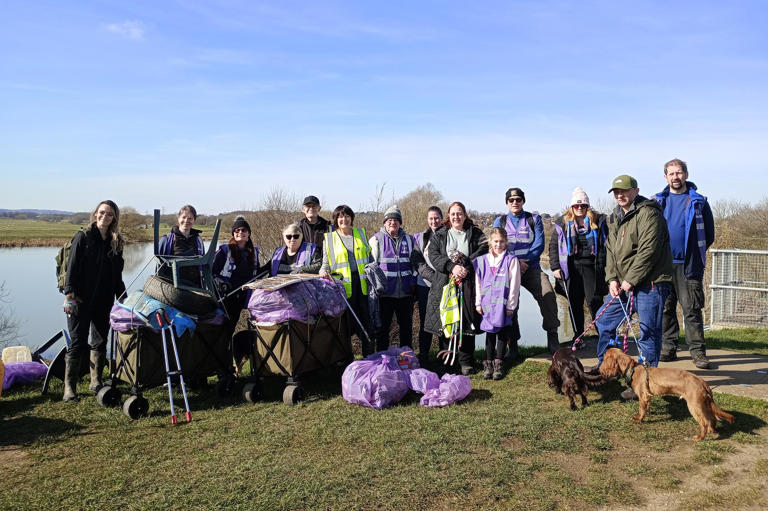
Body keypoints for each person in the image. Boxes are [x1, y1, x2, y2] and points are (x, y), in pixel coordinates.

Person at [590, 175, 673, 400]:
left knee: (648, 331)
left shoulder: (649, 213)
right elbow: (611, 252)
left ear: (636, 191)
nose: (620, 195)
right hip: (623, 285)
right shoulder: (614, 217)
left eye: (625, 191)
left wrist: (630, 279)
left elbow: (649, 251)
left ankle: (645, 382)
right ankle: (606, 368)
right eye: (616, 192)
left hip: (650, 283)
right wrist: (612, 279)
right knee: (603, 320)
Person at [61, 200, 126, 402]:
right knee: (77, 343)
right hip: (79, 300)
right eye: (101, 212)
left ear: (114, 218)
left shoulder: (116, 242)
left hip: (104, 301)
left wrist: (123, 297)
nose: (104, 216)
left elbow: (117, 275)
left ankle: (95, 382)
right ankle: (69, 389)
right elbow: (71, 268)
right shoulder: (83, 237)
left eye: (109, 214)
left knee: (100, 341)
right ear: (95, 213)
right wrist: (69, 294)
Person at [654, 158, 716, 369]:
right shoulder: (656, 202)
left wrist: (693, 254)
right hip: (662, 266)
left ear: (686, 175)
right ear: (666, 177)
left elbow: (709, 235)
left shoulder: (699, 202)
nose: (675, 177)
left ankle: (698, 353)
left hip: (688, 266)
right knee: (665, 309)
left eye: (679, 173)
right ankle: (668, 348)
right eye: (671, 174)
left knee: (691, 309)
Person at [423, 201, 488, 375]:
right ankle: (448, 361)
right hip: (445, 284)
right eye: (453, 214)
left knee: (466, 322)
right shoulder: (440, 235)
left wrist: (465, 266)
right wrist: (451, 267)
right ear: (448, 216)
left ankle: (466, 361)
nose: (456, 217)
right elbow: (434, 255)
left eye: (459, 213)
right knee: (447, 322)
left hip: (468, 284)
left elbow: (483, 249)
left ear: (465, 215)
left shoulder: (476, 233)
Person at [493, 187, 560, 353]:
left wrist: (526, 262)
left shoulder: (533, 219)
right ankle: (513, 344)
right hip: (508, 269)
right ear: (507, 202)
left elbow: (539, 244)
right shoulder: (500, 222)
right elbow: (496, 247)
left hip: (531, 268)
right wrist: (515, 262)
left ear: (523, 201)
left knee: (548, 294)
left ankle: (552, 335)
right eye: (511, 200)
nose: (515, 202)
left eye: (518, 199)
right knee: (510, 304)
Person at [549, 187, 608, 344]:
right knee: (574, 303)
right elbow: (554, 246)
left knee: (594, 301)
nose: (580, 208)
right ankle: (578, 335)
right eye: (576, 205)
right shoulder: (563, 223)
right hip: (571, 268)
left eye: (583, 205)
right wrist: (555, 267)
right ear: (572, 207)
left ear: (588, 206)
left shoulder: (599, 221)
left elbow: (607, 245)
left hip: (593, 267)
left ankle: (604, 334)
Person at [319, 205, 375, 355]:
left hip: (363, 286)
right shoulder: (329, 239)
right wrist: (322, 271)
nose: (344, 219)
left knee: (367, 324)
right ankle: (347, 361)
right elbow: (325, 264)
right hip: (342, 288)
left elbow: (370, 258)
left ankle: (369, 358)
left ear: (352, 218)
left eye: (347, 216)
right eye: (340, 217)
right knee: (345, 328)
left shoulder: (361, 234)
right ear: (336, 220)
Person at [474, 227, 521, 380]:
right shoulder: (482, 260)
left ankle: (498, 363)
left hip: (503, 306)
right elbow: (478, 283)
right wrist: (478, 302)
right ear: (490, 241)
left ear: (506, 242)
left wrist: (511, 305)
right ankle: (488, 363)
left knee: (502, 333)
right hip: (487, 305)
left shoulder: (511, 260)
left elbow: (514, 285)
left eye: (501, 241)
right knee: (489, 333)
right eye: (495, 241)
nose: (498, 244)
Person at [369, 205, 416, 351]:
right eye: (389, 220)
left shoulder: (409, 240)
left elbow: (415, 264)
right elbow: (371, 268)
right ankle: (382, 357)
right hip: (385, 293)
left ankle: (407, 357)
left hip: (406, 292)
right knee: (383, 329)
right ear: (384, 222)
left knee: (406, 329)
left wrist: (413, 281)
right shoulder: (376, 240)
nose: (392, 222)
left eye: (396, 220)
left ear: (400, 222)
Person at [411, 206, 446, 364]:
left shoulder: (448, 235)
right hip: (424, 286)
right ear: (427, 219)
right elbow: (418, 262)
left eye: (437, 218)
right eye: (431, 218)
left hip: (444, 286)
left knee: (443, 321)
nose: (434, 221)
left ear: (441, 218)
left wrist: (441, 280)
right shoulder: (420, 238)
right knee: (426, 321)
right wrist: (435, 278)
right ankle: (424, 355)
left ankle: (444, 357)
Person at [212, 215, 261, 329]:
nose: (240, 232)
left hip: (244, 295)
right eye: (237, 230)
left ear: (249, 233)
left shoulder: (253, 252)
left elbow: (257, 273)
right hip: (226, 297)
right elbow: (212, 272)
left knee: (236, 326)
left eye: (244, 230)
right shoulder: (224, 251)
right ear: (233, 233)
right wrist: (221, 284)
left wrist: (271, 265)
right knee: (225, 328)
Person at [157, 204, 205, 287]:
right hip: (172, 287)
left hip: (195, 287)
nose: (186, 221)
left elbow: (203, 265)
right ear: (178, 218)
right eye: (184, 217)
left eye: (190, 218)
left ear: (194, 220)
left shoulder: (199, 241)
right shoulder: (166, 240)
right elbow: (159, 268)